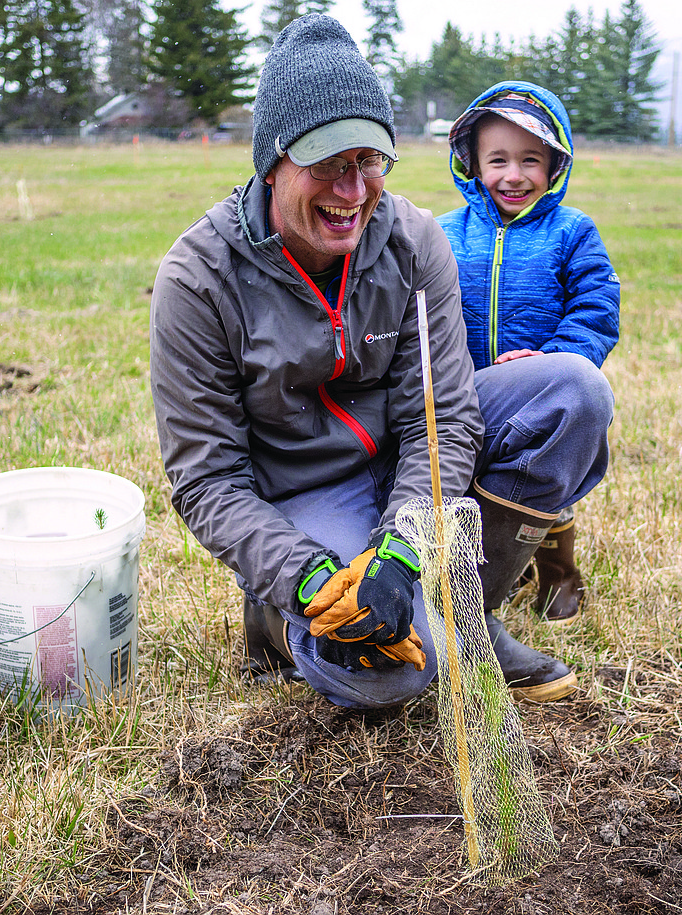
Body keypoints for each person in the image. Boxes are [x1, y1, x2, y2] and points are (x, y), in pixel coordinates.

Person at [148, 15, 614, 708]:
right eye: (328, 163)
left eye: (369, 160)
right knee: (392, 672)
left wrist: (403, 548)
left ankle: (468, 615)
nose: (353, 190)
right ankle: (277, 616)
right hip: (308, 492)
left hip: (406, 461)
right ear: (271, 163)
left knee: (576, 394)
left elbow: (444, 417)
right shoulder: (197, 279)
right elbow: (208, 479)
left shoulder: (414, 240)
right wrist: (306, 578)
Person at [437, 81, 619, 624]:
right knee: (469, 480)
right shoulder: (443, 233)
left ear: (555, 164)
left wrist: (555, 358)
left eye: (530, 160)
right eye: (498, 160)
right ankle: (496, 568)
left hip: (538, 386)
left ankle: (559, 573)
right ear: (471, 163)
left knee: (544, 474)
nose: (513, 175)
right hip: (466, 389)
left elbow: (596, 307)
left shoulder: (572, 231)